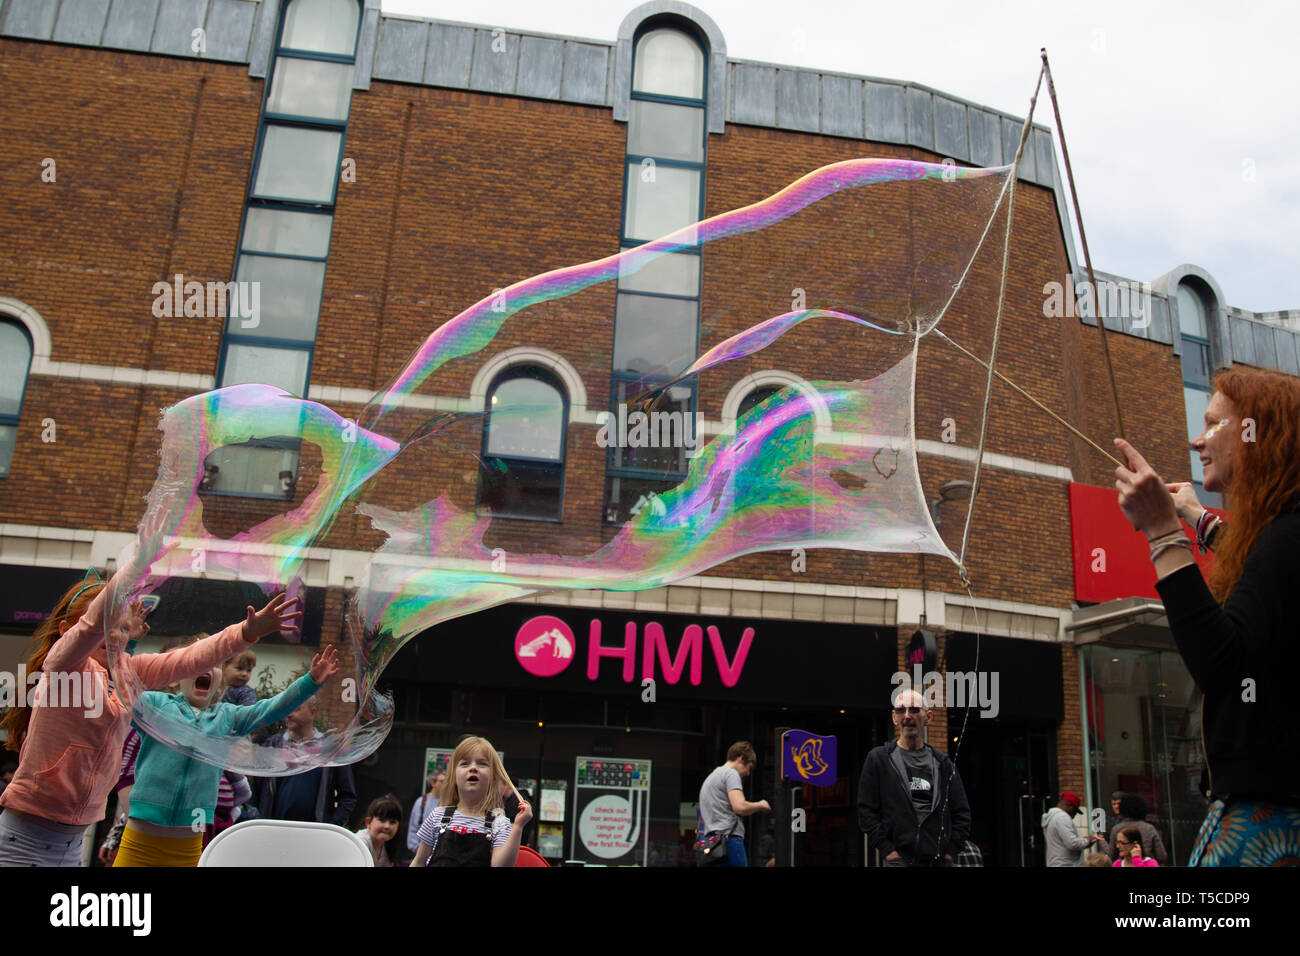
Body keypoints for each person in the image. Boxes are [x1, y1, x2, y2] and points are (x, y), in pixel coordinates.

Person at [1114, 367, 1300, 866]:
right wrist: (1195, 518)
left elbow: (1224, 665)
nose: (1198, 441)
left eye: (1215, 423)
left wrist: (1162, 531)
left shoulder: (1286, 537)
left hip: (1268, 823)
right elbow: (1261, 570)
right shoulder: (1283, 534)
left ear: (1261, 434)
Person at [0, 572, 301, 867]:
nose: (112, 635)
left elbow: (189, 658)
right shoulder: (63, 667)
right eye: (105, 626)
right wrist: (137, 565)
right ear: (67, 631)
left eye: (121, 628)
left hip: (72, 844)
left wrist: (245, 632)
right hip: (23, 839)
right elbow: (90, 628)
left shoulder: (129, 674)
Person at [113, 644, 338, 867]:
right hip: (138, 842)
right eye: (197, 662)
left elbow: (270, 709)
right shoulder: (155, 705)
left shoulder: (227, 717)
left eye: (214, 664)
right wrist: (126, 642)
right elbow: (123, 685)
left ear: (220, 682)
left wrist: (310, 682)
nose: (206, 667)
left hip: (188, 847)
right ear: (176, 677)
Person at [859, 687, 971, 866]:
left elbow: (962, 813)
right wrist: (888, 850)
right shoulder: (879, 759)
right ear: (894, 717)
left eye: (914, 710)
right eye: (900, 710)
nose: (907, 716)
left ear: (928, 717)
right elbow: (866, 812)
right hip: (898, 861)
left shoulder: (943, 764)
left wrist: (949, 853)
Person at [409, 736, 532, 867]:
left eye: (482, 764)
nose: (473, 768)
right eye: (465, 764)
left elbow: (501, 865)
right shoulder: (437, 816)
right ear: (454, 776)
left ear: (493, 778)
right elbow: (418, 862)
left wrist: (518, 827)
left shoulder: (499, 823)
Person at [251, 693, 357, 826]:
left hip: (314, 834)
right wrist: (260, 824)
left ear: (313, 712)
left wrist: (330, 827)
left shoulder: (330, 749)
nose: (289, 714)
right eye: (286, 708)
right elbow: (254, 793)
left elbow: (347, 797)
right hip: (274, 831)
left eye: (296, 708)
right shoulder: (272, 746)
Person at [697, 740, 771, 868]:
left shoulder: (711, 778)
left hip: (711, 843)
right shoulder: (731, 774)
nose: (748, 773)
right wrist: (760, 804)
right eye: (749, 768)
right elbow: (740, 807)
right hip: (729, 840)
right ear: (741, 758)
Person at [1042, 791, 1105, 866]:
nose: (1074, 815)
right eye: (1075, 811)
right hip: (1065, 864)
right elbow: (1072, 844)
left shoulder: (1052, 817)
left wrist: (1082, 840)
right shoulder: (1062, 817)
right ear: (1071, 807)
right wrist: (1088, 840)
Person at [1106, 793, 1168, 866]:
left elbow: (1110, 856)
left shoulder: (1116, 829)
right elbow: (1161, 856)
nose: (1118, 846)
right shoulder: (1149, 828)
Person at [358, 793, 403, 867]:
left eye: (392, 822)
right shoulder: (361, 842)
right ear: (368, 822)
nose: (387, 826)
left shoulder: (388, 845)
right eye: (382, 820)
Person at [407, 771, 446, 855]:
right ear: (433, 783)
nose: (445, 784)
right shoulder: (421, 802)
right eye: (442, 781)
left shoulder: (447, 804)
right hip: (420, 852)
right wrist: (421, 852)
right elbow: (413, 829)